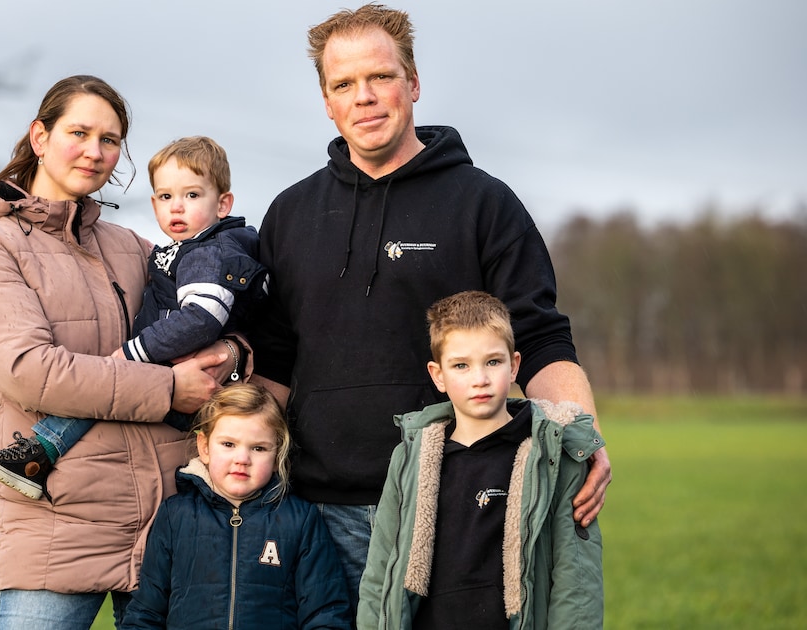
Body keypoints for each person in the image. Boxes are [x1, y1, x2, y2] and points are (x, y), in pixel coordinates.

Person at [248, 3, 612, 605]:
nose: (364, 97)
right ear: (326, 101)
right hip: (315, 514)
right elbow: (276, 362)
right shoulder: (289, 214)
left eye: (380, 77)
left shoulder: (484, 205)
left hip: (451, 505)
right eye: (344, 84)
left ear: (413, 83)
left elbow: (541, 339)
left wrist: (585, 434)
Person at [0, 75, 238, 629]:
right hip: (57, 526)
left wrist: (232, 353)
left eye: (110, 140)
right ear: (39, 136)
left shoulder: (133, 247)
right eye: (79, 132)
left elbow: (217, 309)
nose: (95, 151)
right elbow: (31, 373)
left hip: (166, 526)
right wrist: (170, 389)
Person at [0, 135, 268, 500]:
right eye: (167, 197)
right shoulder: (172, 250)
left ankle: (38, 454)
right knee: (105, 386)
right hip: (160, 389)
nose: (177, 208)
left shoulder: (209, 251)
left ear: (223, 204)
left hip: (183, 380)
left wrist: (135, 353)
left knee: (107, 382)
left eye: (192, 196)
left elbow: (201, 319)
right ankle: (38, 455)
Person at [357, 291, 604, 628]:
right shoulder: (410, 458)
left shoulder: (551, 455)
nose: (480, 379)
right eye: (461, 365)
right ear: (438, 374)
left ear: (514, 364)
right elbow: (379, 570)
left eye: (493, 362)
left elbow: (576, 581)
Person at [119, 383, 351, 629]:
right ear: (204, 447)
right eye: (228, 444)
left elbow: (326, 613)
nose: (242, 459)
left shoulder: (301, 519)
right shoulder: (175, 515)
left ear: (277, 456)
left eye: (258, 448)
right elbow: (146, 613)